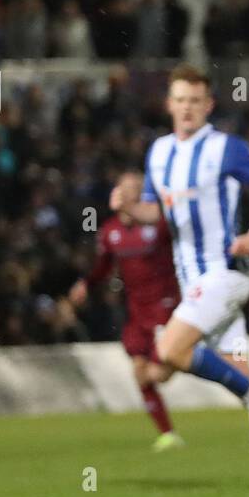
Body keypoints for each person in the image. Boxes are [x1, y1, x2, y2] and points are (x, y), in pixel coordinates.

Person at [111, 66, 249, 491]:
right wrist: (130, 209)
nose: (187, 107)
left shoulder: (225, 148)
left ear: (207, 105)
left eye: (195, 100)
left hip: (226, 273)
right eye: (180, 99)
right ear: (169, 104)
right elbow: (158, 213)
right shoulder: (159, 153)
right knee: (238, 374)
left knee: (169, 349)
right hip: (193, 283)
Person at [71, 172, 183, 451]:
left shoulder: (160, 225)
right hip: (136, 311)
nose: (131, 194)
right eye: (126, 189)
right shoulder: (110, 231)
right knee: (139, 372)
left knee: (160, 372)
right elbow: (103, 266)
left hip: (165, 307)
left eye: (137, 189)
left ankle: (193, 354)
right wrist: (86, 284)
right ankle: (167, 433)